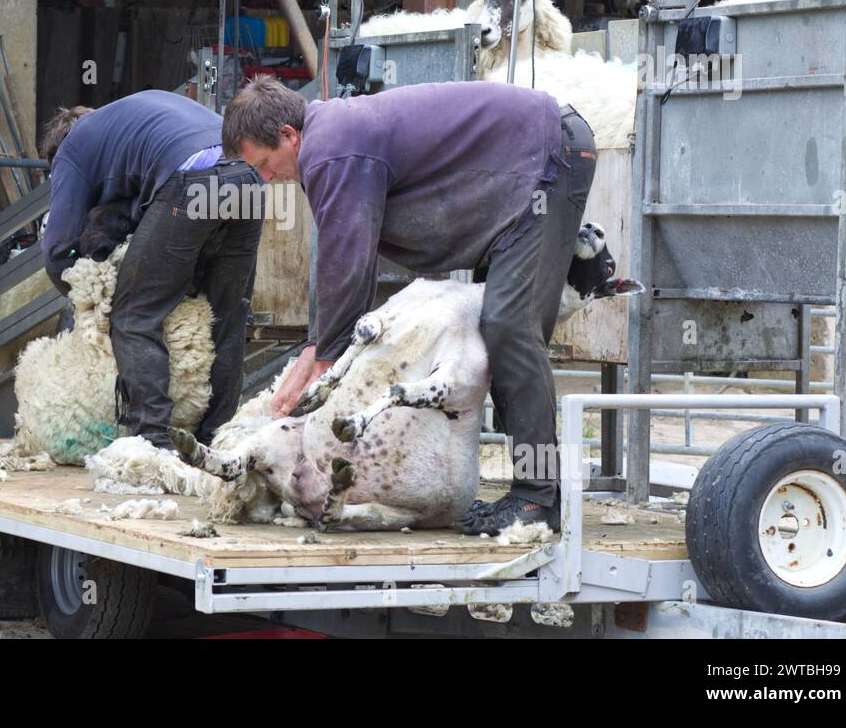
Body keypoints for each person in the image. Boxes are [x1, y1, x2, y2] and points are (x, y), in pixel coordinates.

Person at [221, 75, 596, 534]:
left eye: (263, 163)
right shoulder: (332, 140)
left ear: (288, 136)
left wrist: (323, 361)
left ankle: (536, 499)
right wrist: (318, 345)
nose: (266, 178)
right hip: (519, 175)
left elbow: (348, 261)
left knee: (508, 326)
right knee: (490, 334)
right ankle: (531, 492)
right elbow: (345, 257)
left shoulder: (333, 149)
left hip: (547, 156)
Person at [41, 89, 264, 450]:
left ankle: (154, 441)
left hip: (193, 180)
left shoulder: (71, 151)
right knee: (227, 317)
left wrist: (90, 302)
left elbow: (56, 251)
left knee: (134, 314)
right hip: (249, 175)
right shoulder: (132, 122)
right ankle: (217, 441)